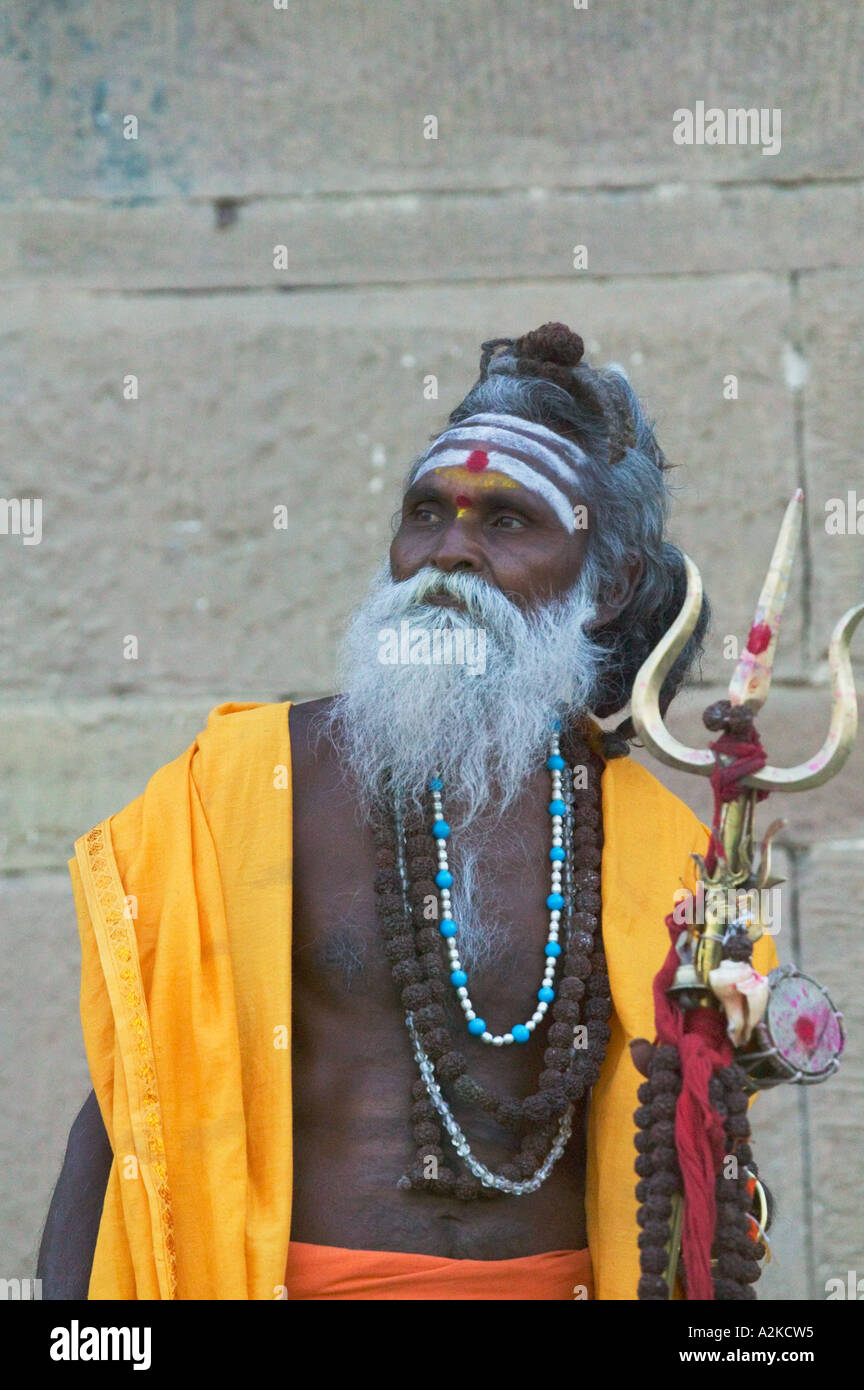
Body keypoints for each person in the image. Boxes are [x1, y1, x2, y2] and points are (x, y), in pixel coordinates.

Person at [38, 322, 777, 1300]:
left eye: (507, 523)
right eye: (425, 514)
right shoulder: (246, 785)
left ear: (614, 585)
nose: (449, 555)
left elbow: (701, 1169)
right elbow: (129, 1096)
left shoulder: (653, 842)